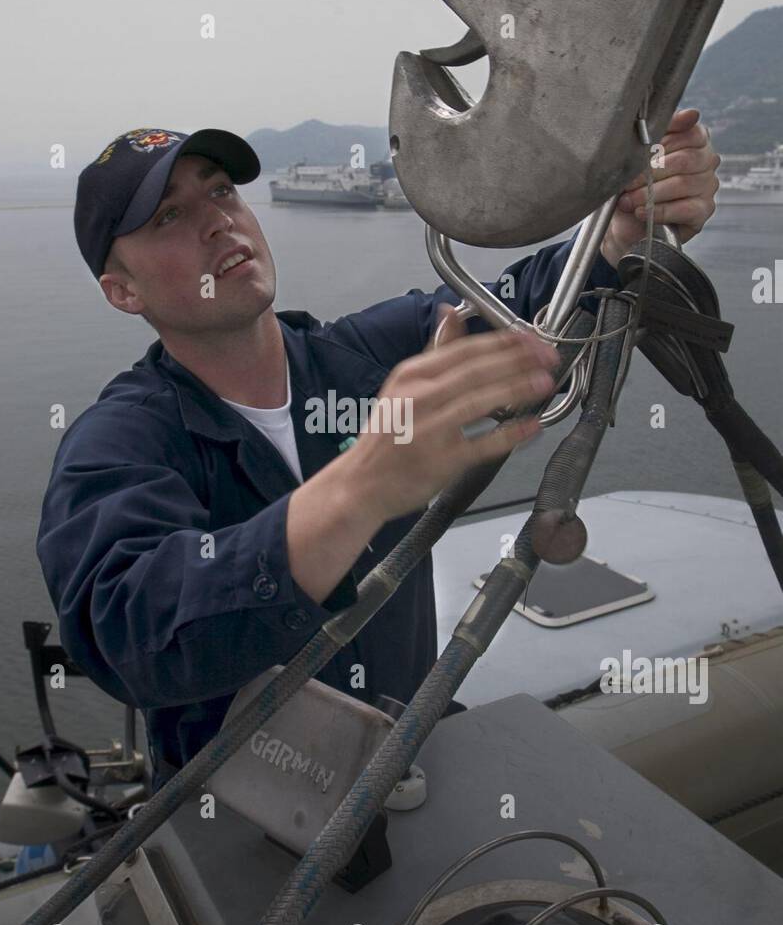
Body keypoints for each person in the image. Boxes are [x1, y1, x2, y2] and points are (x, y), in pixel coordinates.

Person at [36, 115, 720, 790]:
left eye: (220, 192)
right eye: (167, 218)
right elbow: (127, 633)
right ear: (123, 291)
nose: (217, 222)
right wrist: (362, 485)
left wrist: (626, 230)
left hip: (407, 758)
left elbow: (525, 307)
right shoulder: (116, 445)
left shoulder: (371, 354)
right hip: (237, 813)